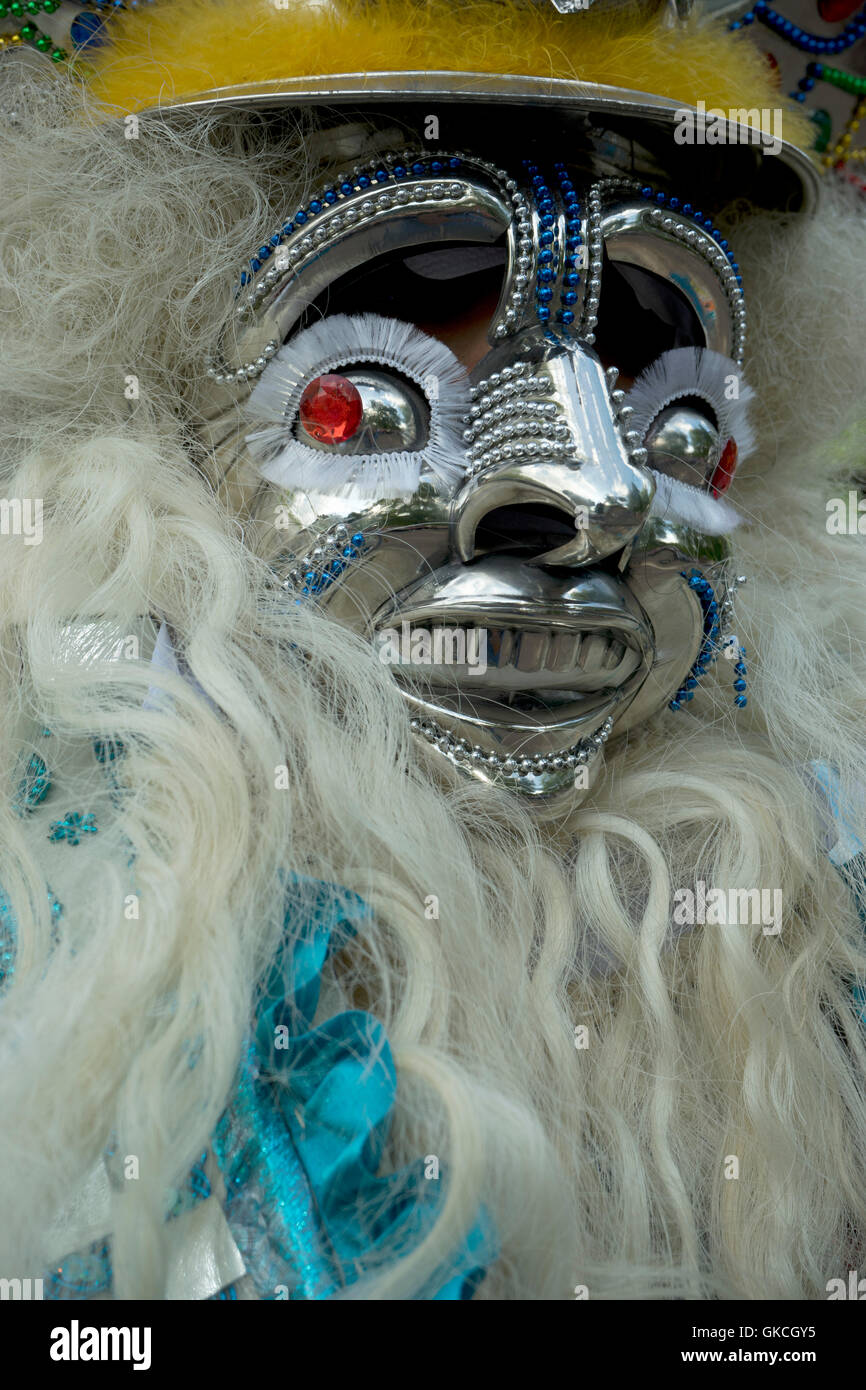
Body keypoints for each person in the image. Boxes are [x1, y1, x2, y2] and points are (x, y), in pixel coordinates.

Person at [1, 0, 865, 1301]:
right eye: (373, 400)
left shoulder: (812, 940)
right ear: (154, 433)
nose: (585, 501)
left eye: (666, 417)